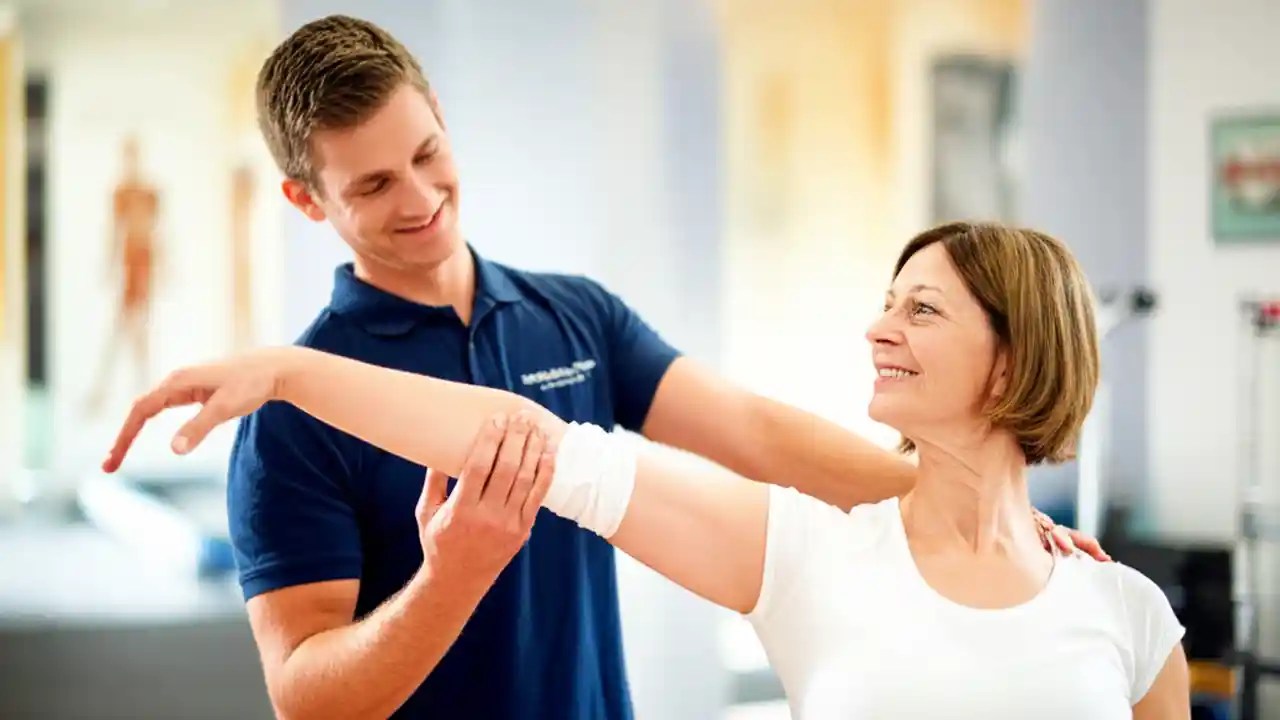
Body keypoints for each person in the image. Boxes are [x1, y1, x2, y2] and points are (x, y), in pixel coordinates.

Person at [109, 15, 1102, 720]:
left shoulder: (570, 315)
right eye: (372, 184)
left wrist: (973, 505)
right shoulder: (294, 413)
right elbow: (308, 698)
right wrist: (452, 576)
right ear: (303, 200)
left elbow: (752, 433)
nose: (419, 197)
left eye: (426, 152)